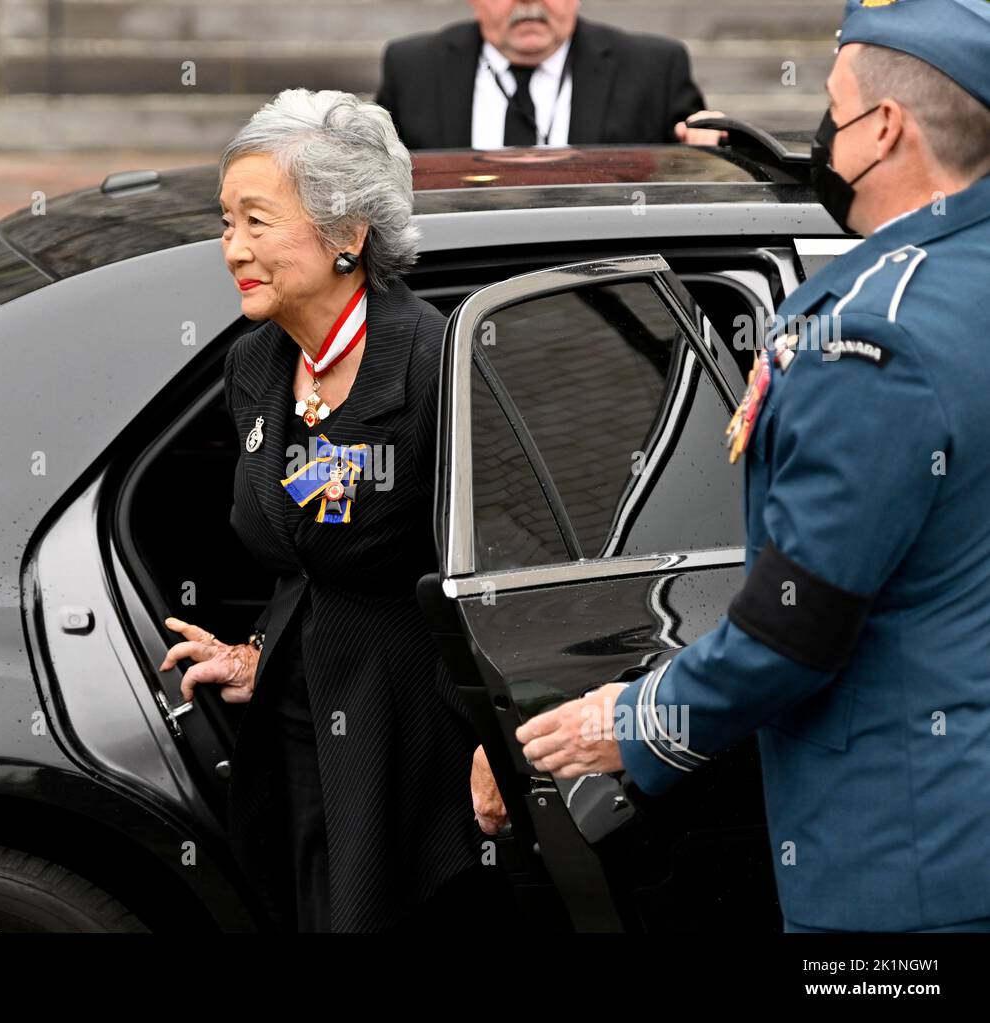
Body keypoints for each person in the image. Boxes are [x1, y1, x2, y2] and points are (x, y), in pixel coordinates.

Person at [512, 0, 990, 933]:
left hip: (901, 866)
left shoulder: (869, 332)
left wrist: (633, 719)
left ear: (884, 128)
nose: (823, 131)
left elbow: (795, 629)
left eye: (834, 106)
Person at [158, 88, 511, 932]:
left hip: (420, 752)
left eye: (255, 221)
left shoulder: (432, 362)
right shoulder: (254, 365)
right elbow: (305, 562)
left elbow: (511, 570)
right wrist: (258, 656)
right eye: (225, 222)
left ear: (347, 234)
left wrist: (506, 744)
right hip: (297, 743)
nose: (232, 248)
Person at [375, 0, 724, 150]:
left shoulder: (654, 69)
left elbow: (703, 164)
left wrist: (714, 142)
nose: (529, 2)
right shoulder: (412, 68)